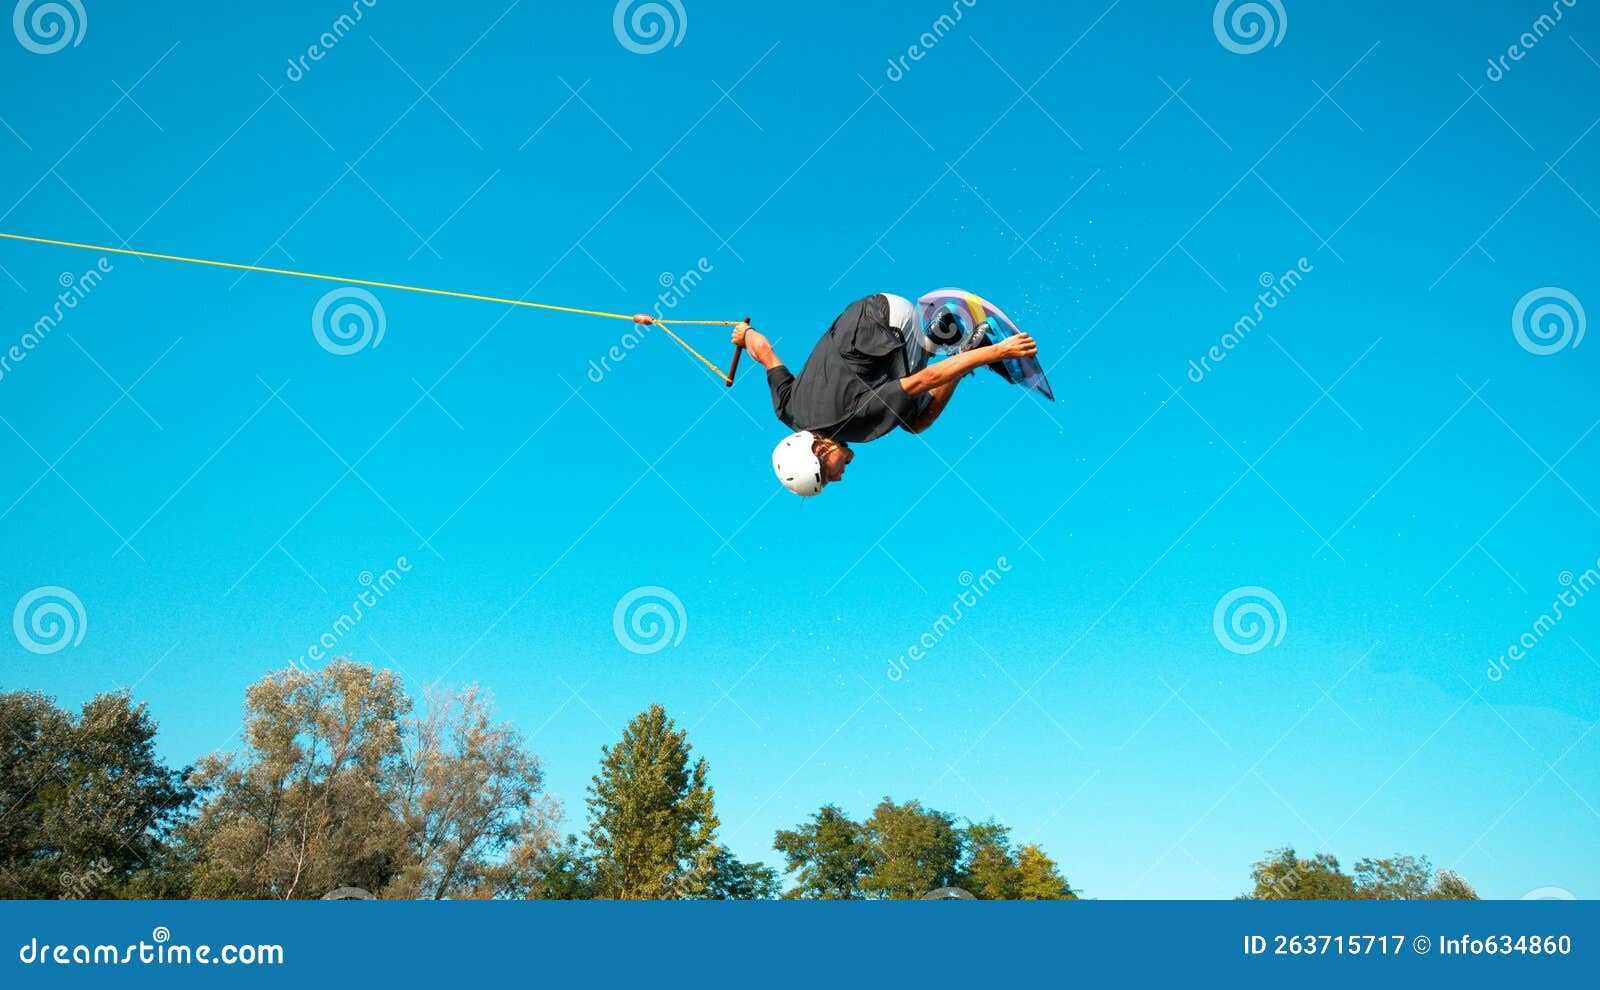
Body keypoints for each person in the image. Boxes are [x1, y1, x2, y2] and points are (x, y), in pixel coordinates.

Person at [733, 293, 1038, 496]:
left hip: (894, 322)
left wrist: (999, 352)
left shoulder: (857, 423)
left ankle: (976, 344)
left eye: (825, 477)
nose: (837, 479)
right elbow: (766, 354)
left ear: (820, 452)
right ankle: (937, 333)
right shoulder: (788, 411)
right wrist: (745, 335)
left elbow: (926, 379)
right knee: (883, 387)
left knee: (915, 421)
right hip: (868, 306)